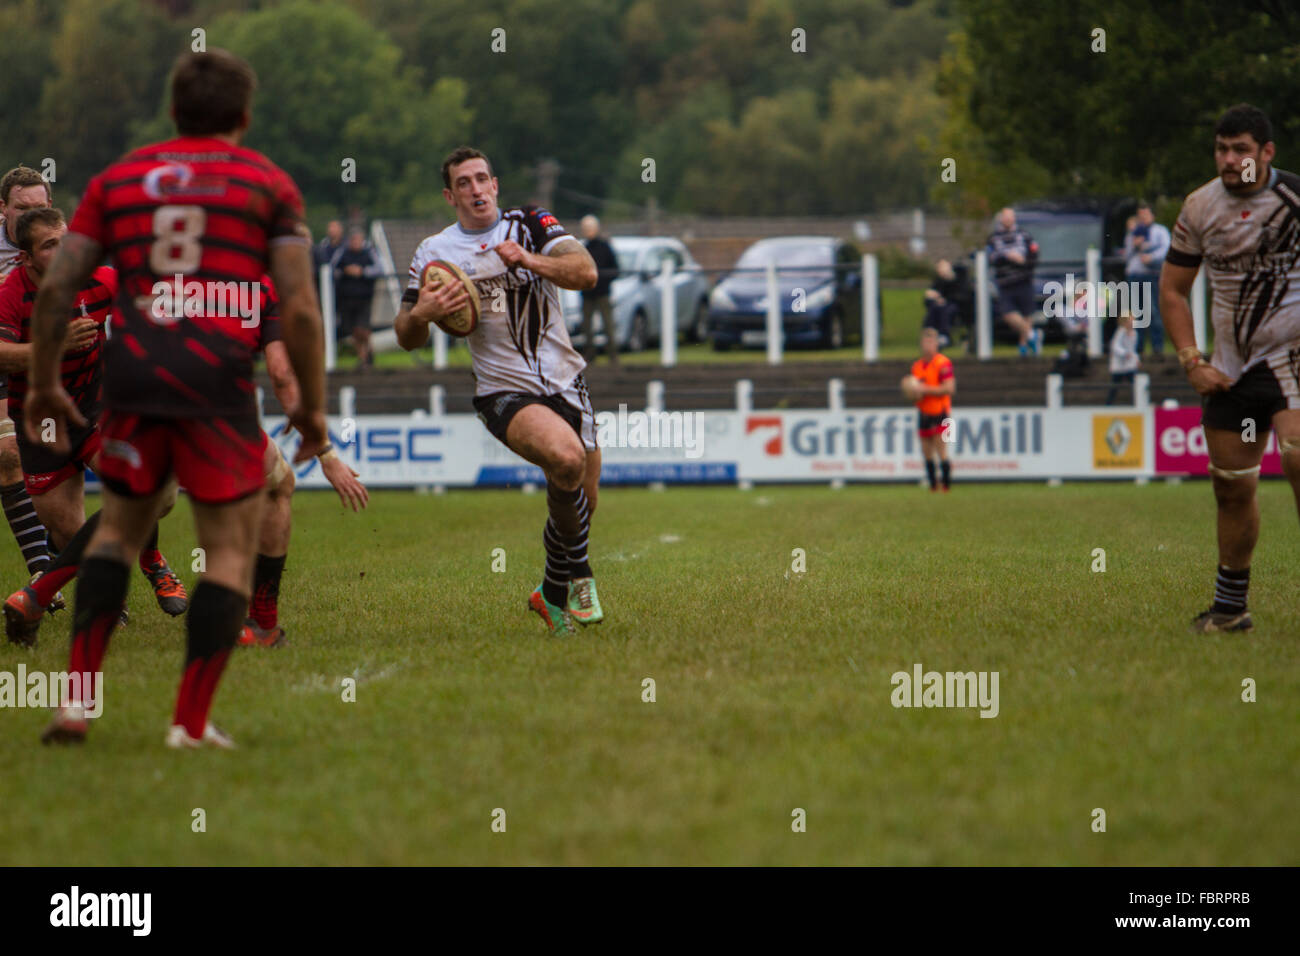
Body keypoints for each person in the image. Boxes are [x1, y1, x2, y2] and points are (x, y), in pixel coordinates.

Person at [28, 48, 327, 746]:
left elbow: (56, 288)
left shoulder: (120, 178)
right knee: (224, 553)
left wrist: (42, 382)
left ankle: (75, 704)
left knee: (118, 537)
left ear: (173, 112)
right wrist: (310, 409)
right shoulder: (268, 184)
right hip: (215, 388)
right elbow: (303, 310)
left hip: (131, 380)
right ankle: (189, 725)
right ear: (245, 116)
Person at [395, 146, 601, 634]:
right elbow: (406, 334)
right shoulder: (434, 254)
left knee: (583, 500)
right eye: (463, 183)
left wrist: (527, 259)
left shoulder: (528, 224)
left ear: (496, 186)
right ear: (451, 196)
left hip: (567, 381)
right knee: (566, 460)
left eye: (481, 179)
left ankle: (549, 593)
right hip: (502, 391)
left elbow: (586, 273)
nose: (475, 189)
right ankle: (581, 578)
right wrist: (421, 314)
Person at [0, 208, 188, 646]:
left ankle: (151, 562)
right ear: (27, 258)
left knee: (146, 488)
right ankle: (100, 593)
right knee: (70, 533)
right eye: (50, 245)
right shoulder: (11, 293)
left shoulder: (99, 278)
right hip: (40, 425)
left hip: (96, 409)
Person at [1160, 103, 1300, 633]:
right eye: (1221, 148)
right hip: (1232, 370)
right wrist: (1192, 360)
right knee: (1233, 488)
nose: (1228, 158)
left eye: (1240, 149)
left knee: (1298, 457)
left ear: (1266, 153)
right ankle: (1230, 609)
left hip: (1294, 358)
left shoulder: (1294, 200)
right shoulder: (1199, 207)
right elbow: (1173, 290)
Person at [238, 276, 369, 648]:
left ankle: (149, 568)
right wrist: (324, 450)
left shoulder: (166, 272)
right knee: (275, 488)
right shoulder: (258, 285)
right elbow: (281, 373)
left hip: (148, 412)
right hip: (220, 416)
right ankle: (260, 622)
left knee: (145, 505)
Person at [0, 167, 57, 584]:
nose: (30, 217)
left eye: (39, 209)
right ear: (2, 209)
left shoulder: (58, 243)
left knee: (52, 479)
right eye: (21, 209)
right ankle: (43, 573)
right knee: (8, 456)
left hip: (51, 363)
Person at [986, 207, 1040, 356]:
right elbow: (991, 257)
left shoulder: (1024, 235)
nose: (1008, 220)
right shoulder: (994, 238)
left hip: (1023, 280)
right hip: (1005, 283)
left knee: (1027, 315)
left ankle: (1024, 346)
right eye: (1005, 217)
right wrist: (1007, 257)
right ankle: (1032, 336)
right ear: (1001, 219)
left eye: (1011, 217)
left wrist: (1023, 261)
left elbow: (1034, 254)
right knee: (1008, 314)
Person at [911, 327, 955, 492]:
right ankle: (932, 485)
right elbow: (916, 393)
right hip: (924, 412)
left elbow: (949, 388)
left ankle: (946, 486)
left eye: (931, 341)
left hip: (942, 412)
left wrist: (924, 389)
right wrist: (912, 392)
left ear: (936, 344)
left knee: (941, 449)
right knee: (926, 451)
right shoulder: (917, 366)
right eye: (925, 341)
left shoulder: (943, 363)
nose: (928, 345)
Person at [1125, 200, 1170, 355]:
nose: (1143, 218)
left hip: (1152, 275)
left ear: (1152, 215)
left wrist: (1152, 257)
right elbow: (1128, 254)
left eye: (1145, 214)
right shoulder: (1134, 232)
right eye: (1140, 215)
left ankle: (1157, 348)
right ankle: (1138, 347)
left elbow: (1166, 250)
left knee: (1154, 311)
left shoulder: (1160, 231)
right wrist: (1135, 244)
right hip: (1135, 275)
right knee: (1137, 312)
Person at [331, 227, 380, 368]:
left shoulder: (369, 253)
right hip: (346, 298)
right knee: (353, 331)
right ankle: (363, 358)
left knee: (362, 329)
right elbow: (331, 269)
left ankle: (368, 351)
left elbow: (380, 269)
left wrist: (362, 272)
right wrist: (345, 271)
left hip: (364, 297)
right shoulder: (343, 253)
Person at [579, 215, 618, 363]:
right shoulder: (583, 248)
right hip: (587, 293)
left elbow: (614, 269)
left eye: (590, 228)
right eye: (585, 228)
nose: (588, 231)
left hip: (603, 292)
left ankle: (613, 355)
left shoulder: (605, 247)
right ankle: (590, 355)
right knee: (587, 326)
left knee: (608, 325)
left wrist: (602, 279)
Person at [922, 258, 970, 348]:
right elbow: (930, 296)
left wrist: (944, 300)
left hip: (957, 306)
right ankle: (929, 335)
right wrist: (932, 297)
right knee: (934, 309)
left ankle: (944, 336)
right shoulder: (939, 281)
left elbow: (962, 296)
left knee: (946, 310)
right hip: (939, 306)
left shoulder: (959, 277)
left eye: (942, 267)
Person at [1105, 311, 1140, 405]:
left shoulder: (1134, 334)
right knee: (1114, 386)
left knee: (1135, 384)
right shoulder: (1120, 332)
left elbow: (1133, 349)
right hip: (1119, 365)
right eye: (1130, 321)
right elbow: (1115, 346)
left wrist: (1136, 360)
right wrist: (1124, 353)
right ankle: (1108, 404)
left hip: (1129, 365)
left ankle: (1137, 402)